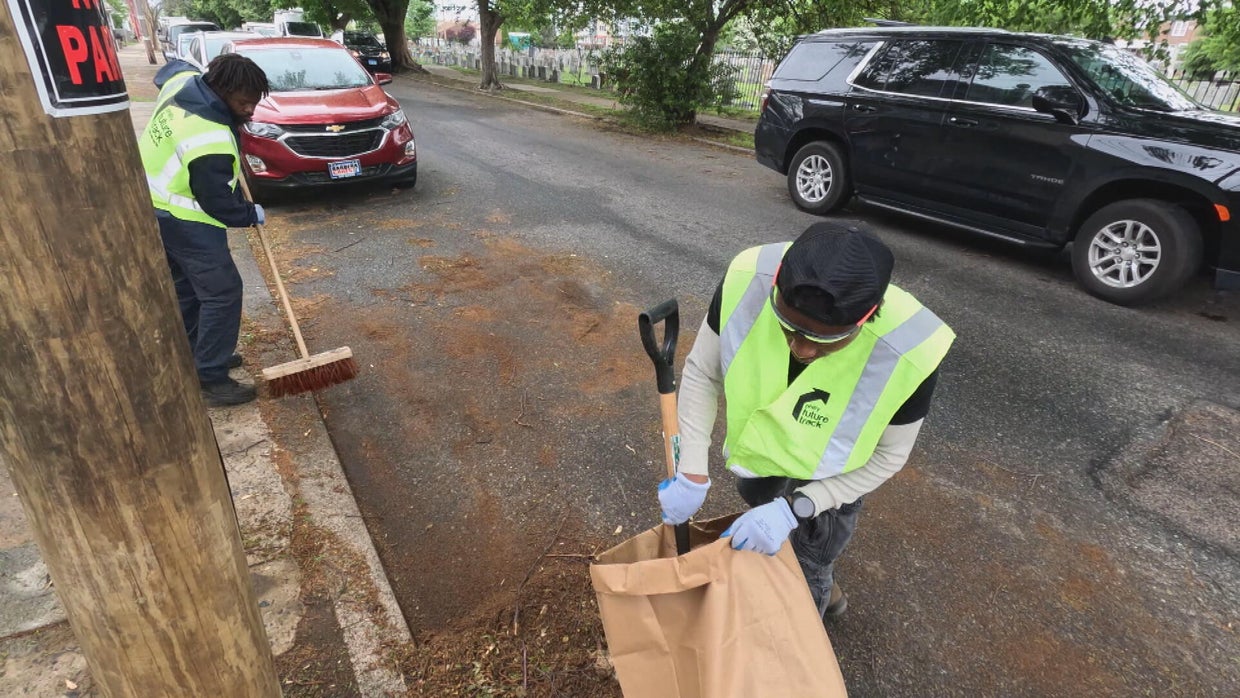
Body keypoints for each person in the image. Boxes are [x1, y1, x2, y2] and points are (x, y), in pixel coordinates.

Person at [657, 222, 955, 621]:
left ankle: (817, 591)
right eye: (789, 327)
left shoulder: (911, 349)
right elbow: (703, 373)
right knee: (759, 502)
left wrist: (797, 508)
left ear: (866, 319)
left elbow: (888, 457)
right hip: (762, 453)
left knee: (809, 561)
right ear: (777, 285)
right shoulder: (748, 278)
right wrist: (692, 470)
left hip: (834, 475)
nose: (803, 349)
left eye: (826, 340)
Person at [139, 54, 269, 407]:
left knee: (190, 288)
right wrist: (249, 213)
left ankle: (196, 352)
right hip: (185, 219)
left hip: (153, 201)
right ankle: (210, 375)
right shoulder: (208, 137)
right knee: (223, 292)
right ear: (222, 91)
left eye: (255, 102)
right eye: (244, 103)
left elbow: (172, 68)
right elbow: (218, 203)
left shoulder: (186, 83)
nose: (250, 111)